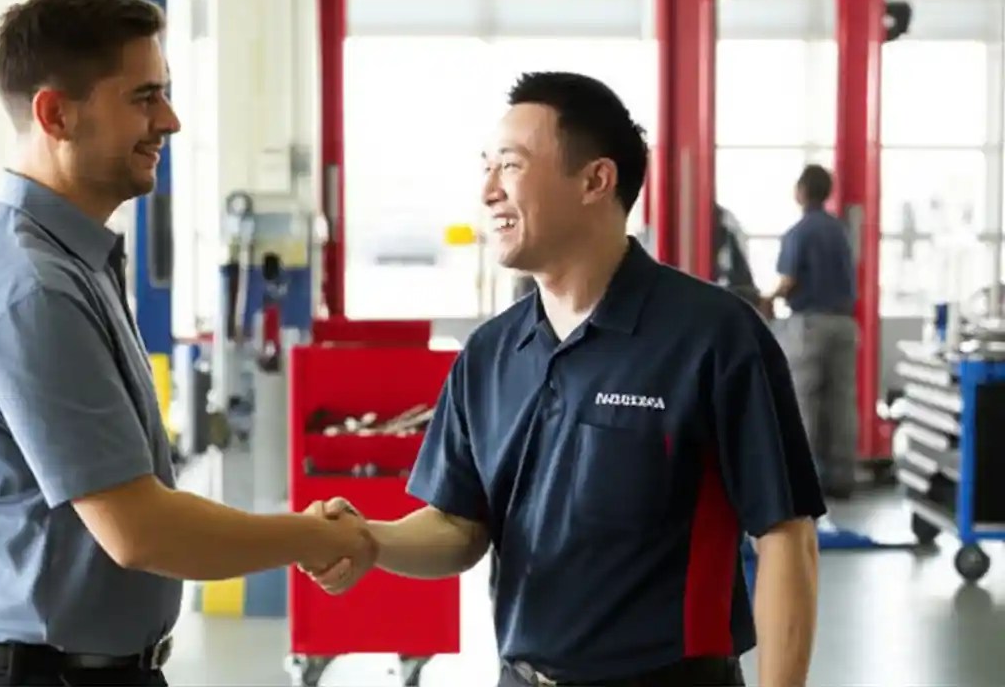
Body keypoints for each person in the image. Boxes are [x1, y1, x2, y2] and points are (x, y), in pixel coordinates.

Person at [302, 72, 824, 687]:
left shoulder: (712, 335)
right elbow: (458, 527)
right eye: (486, 167)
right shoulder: (490, 353)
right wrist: (373, 541)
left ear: (596, 181)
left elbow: (785, 535)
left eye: (511, 166)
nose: (488, 190)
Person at [0, 0, 374, 687]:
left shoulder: (73, 263)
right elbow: (141, 531)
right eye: (143, 97)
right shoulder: (34, 287)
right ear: (56, 113)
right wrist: (314, 536)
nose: (168, 120)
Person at [761, 165, 858, 499]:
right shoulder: (840, 231)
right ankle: (843, 479)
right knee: (842, 403)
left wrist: (766, 300)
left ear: (801, 191)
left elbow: (789, 281)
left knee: (803, 402)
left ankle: (804, 481)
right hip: (845, 324)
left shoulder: (799, 232)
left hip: (811, 325)